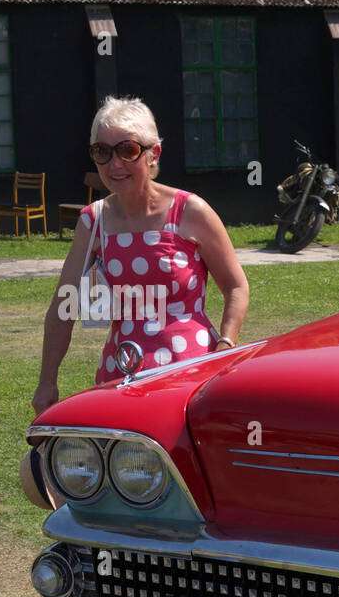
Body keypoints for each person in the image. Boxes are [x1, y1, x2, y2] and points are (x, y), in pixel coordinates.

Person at [32, 95, 249, 415]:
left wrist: (225, 346)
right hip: (119, 375)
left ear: (153, 154)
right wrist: (46, 381)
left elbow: (236, 287)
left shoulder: (191, 211)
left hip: (189, 375)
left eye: (128, 150)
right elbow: (64, 308)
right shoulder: (93, 223)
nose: (114, 165)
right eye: (102, 152)